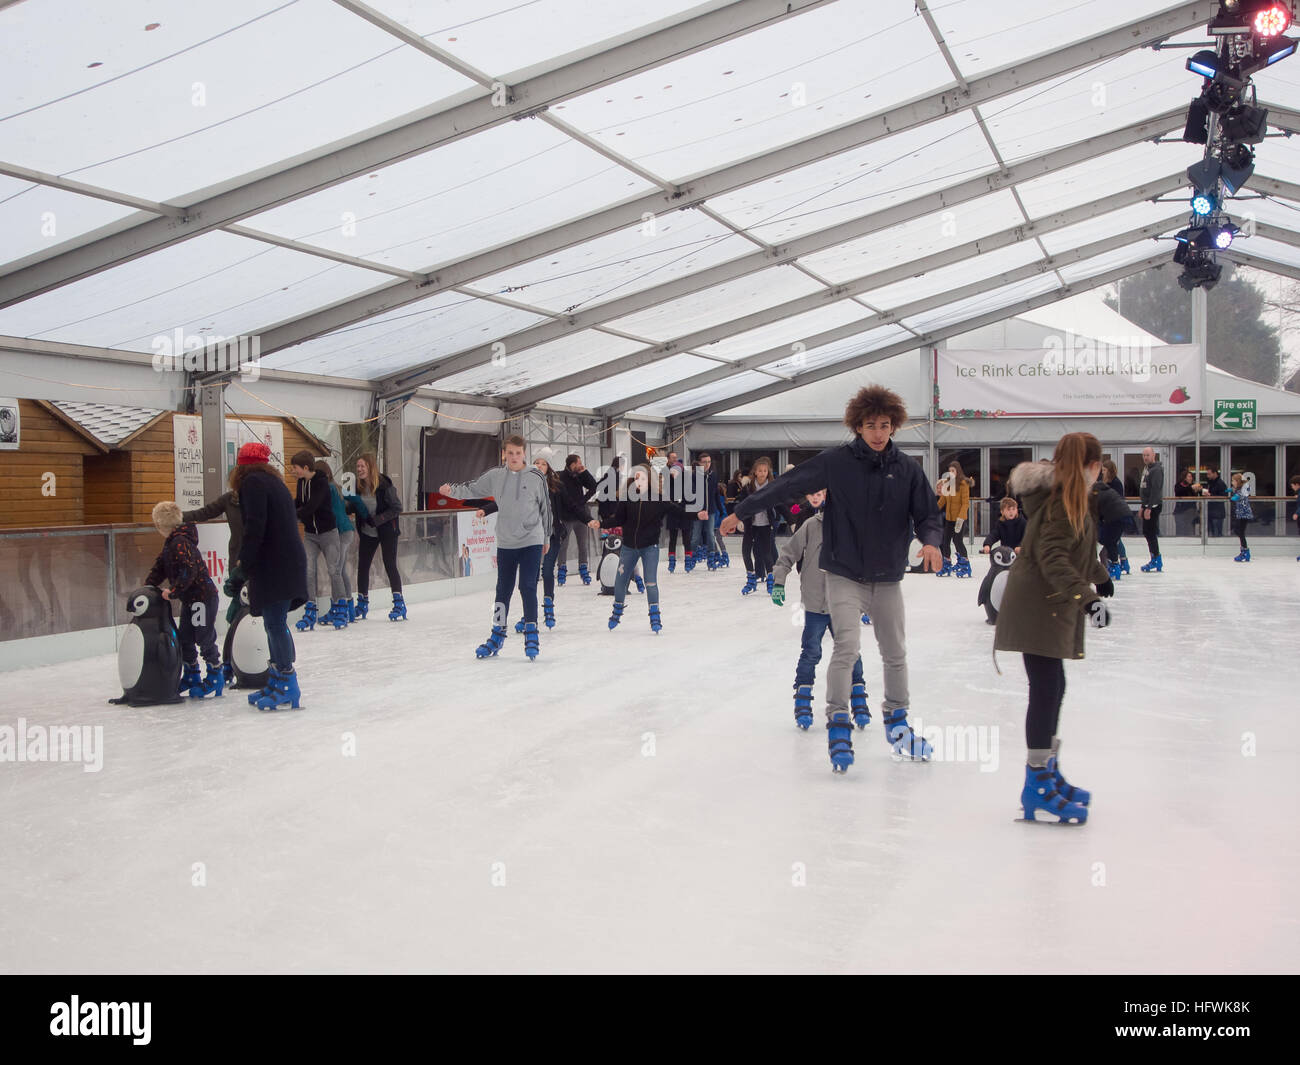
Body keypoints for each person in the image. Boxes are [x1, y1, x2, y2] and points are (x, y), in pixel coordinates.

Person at [722, 385, 943, 773]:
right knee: (846, 649)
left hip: (888, 576)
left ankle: (898, 723)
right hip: (843, 573)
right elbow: (785, 486)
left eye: (885, 425)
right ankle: (838, 721)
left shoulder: (907, 469)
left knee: (895, 652)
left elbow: (927, 513)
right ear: (858, 426)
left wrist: (932, 542)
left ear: (894, 427)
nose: (878, 433)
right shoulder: (837, 462)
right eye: (870, 425)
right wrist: (742, 511)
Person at [994, 433, 1114, 824]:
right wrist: (1089, 598)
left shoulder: (1068, 497)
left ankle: (1047, 772)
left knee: (1053, 687)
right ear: (1094, 466)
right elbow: (1052, 557)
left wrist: (1098, 574)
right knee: (1046, 689)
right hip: (1038, 607)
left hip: (1044, 604)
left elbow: (1074, 550)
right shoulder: (1065, 500)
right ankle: (1037, 783)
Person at [440, 435, 552, 660]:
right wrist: (451, 490)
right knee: (503, 590)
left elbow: (545, 507)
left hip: (532, 539)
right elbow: (471, 489)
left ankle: (532, 632)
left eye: (518, 453)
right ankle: (497, 634)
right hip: (506, 542)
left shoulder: (536, 476)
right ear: (504, 454)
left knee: (528, 586)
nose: (514, 457)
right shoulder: (495, 476)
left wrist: (547, 536)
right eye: (510, 453)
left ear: (524, 454)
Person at [770, 489, 870, 731]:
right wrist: (779, 581)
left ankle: (858, 699)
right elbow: (788, 554)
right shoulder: (811, 526)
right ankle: (803, 699)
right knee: (811, 652)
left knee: (850, 653)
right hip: (815, 604)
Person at [234, 441, 309, 710]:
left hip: (275, 564)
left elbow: (255, 526)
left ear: (242, 463)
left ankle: (287, 683)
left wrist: (244, 563)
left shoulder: (252, 483)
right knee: (272, 623)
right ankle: (277, 680)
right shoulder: (273, 481)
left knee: (275, 624)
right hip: (284, 562)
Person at [606, 463, 705, 633]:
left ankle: (655, 614)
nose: (639, 481)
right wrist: (600, 523)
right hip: (629, 546)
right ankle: (617, 609)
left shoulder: (659, 499)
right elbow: (618, 518)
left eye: (643, 477)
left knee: (650, 582)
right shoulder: (627, 498)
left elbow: (679, 512)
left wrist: (696, 514)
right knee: (620, 581)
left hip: (649, 547)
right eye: (636, 477)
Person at [147, 501, 222, 699]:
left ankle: (215, 674)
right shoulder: (171, 543)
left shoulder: (180, 542)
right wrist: (148, 587)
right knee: (185, 637)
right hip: (191, 599)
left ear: (161, 526)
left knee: (203, 637)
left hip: (202, 598)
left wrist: (173, 591)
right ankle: (192, 674)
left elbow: (189, 571)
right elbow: (160, 566)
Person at [291, 450, 346, 631]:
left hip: (328, 533)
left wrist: (293, 515)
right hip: (310, 535)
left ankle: (341, 607)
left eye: (295, 468)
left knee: (333, 570)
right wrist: (286, 508)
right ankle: (310, 609)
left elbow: (311, 506)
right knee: (308, 570)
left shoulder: (321, 483)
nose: (293, 471)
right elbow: (299, 503)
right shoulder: (301, 482)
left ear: (305, 467)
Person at [354, 452, 406, 621]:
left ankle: (399, 603)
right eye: (358, 466)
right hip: (368, 531)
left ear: (370, 467)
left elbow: (397, 508)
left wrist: (378, 519)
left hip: (387, 530)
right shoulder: (358, 486)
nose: (359, 469)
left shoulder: (384, 484)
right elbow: (356, 507)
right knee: (363, 565)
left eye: (362, 466)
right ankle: (362, 603)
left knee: (389, 563)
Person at [319, 459, 358, 623]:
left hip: (341, 533)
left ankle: (340, 606)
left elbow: (332, 513)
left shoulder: (328, 489)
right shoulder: (335, 487)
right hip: (345, 531)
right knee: (339, 571)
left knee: (335, 570)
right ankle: (347, 607)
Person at [734, 456, 779, 594]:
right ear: (755, 472)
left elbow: (780, 503)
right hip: (751, 525)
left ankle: (770, 579)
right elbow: (740, 503)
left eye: (765, 470)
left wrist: (791, 520)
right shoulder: (748, 487)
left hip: (766, 525)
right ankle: (751, 578)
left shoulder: (772, 487)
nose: (763, 473)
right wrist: (739, 519)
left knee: (766, 553)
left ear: (768, 472)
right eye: (760, 470)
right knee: (746, 552)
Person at [556, 454, 598, 585]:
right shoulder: (560, 476)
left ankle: (583, 569)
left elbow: (594, 486)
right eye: (579, 463)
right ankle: (561, 569)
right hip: (567, 516)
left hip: (581, 516)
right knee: (563, 545)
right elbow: (560, 497)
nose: (581, 465)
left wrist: (583, 500)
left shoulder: (580, 475)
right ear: (572, 464)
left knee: (583, 544)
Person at [936, 461, 972, 577]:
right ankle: (946, 563)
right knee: (945, 541)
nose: (951, 473)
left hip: (959, 519)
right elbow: (943, 500)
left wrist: (961, 518)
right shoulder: (948, 484)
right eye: (950, 471)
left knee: (957, 541)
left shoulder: (963, 484)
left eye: (953, 471)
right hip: (949, 518)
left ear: (958, 472)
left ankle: (965, 564)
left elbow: (965, 503)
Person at [687, 452, 722, 571]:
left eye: (709, 462)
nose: (707, 464)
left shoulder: (713, 475)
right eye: (704, 462)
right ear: (699, 463)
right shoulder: (694, 476)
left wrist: (721, 509)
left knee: (711, 535)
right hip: (697, 511)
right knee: (696, 536)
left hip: (710, 510)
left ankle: (711, 558)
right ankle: (691, 558)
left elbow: (716, 494)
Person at [1100, 459, 1132, 574]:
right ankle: (1121, 562)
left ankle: (1119, 563)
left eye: (1104, 470)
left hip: (1117, 516)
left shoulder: (1116, 483)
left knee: (1114, 541)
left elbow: (1116, 499)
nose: (1103, 472)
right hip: (1109, 516)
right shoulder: (1104, 481)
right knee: (1115, 540)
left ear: (1110, 471)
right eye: (1102, 470)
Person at [1138, 447, 1164, 572]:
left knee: (1150, 532)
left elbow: (1155, 490)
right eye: (1143, 455)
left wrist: (1148, 508)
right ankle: (1155, 557)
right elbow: (1145, 488)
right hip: (1148, 505)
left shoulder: (1156, 469)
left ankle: (1156, 558)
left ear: (1153, 455)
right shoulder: (1147, 468)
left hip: (1153, 506)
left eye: (1147, 455)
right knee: (1147, 532)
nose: (1145, 457)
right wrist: (1143, 506)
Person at [1229, 473, 1254, 562]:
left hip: (1244, 514)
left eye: (1233, 481)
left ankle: (1245, 552)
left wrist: (1232, 498)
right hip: (1241, 514)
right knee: (1239, 531)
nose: (1232, 482)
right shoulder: (1238, 489)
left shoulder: (1242, 491)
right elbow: (1232, 490)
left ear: (1238, 482)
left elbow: (1238, 497)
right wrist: (1228, 490)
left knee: (1240, 531)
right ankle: (1244, 551)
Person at [1173, 468, 1199, 538]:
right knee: (1180, 530)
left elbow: (1195, 498)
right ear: (1184, 477)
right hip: (1180, 512)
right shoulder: (1178, 485)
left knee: (1190, 530)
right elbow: (1180, 492)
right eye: (1189, 476)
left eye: (1191, 477)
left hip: (1191, 512)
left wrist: (1199, 491)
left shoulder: (1192, 486)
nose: (1191, 478)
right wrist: (1191, 488)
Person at [1203, 466, 1228, 538]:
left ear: (1215, 473)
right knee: (1212, 532)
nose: (1208, 476)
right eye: (1207, 474)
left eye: (1209, 474)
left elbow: (1224, 496)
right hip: (1212, 511)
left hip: (1217, 512)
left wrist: (1211, 495)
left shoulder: (1220, 483)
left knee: (1216, 533)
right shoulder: (1211, 483)